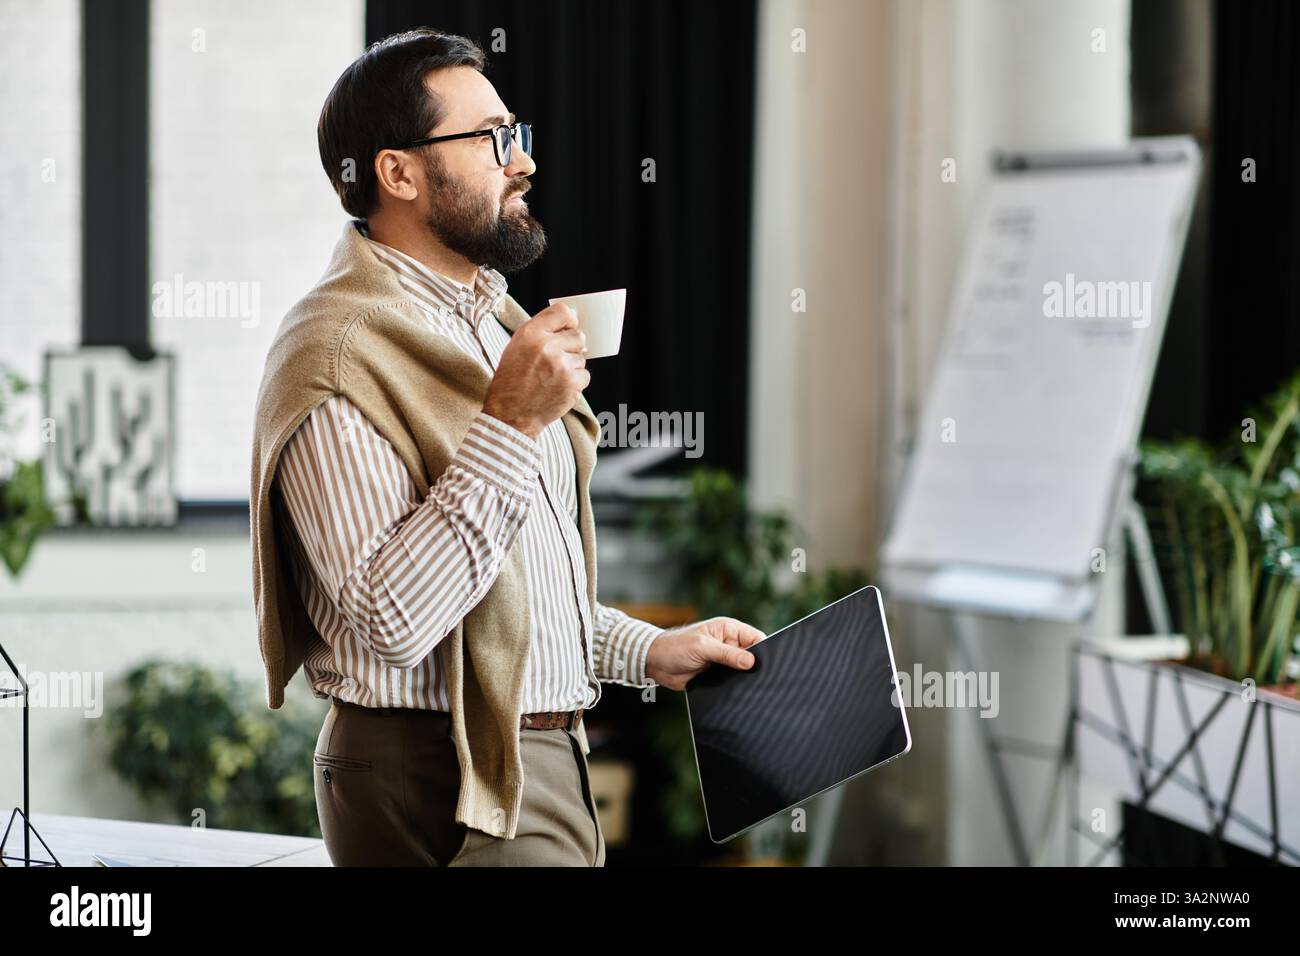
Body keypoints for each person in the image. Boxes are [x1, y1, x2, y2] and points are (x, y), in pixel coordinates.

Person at [248, 27, 764, 866]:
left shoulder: (492, 319)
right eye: (492, 140)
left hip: (539, 761)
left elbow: (504, 592)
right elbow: (392, 618)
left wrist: (647, 651)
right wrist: (513, 424)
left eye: (516, 134)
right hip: (439, 775)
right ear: (399, 172)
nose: (522, 161)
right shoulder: (337, 352)